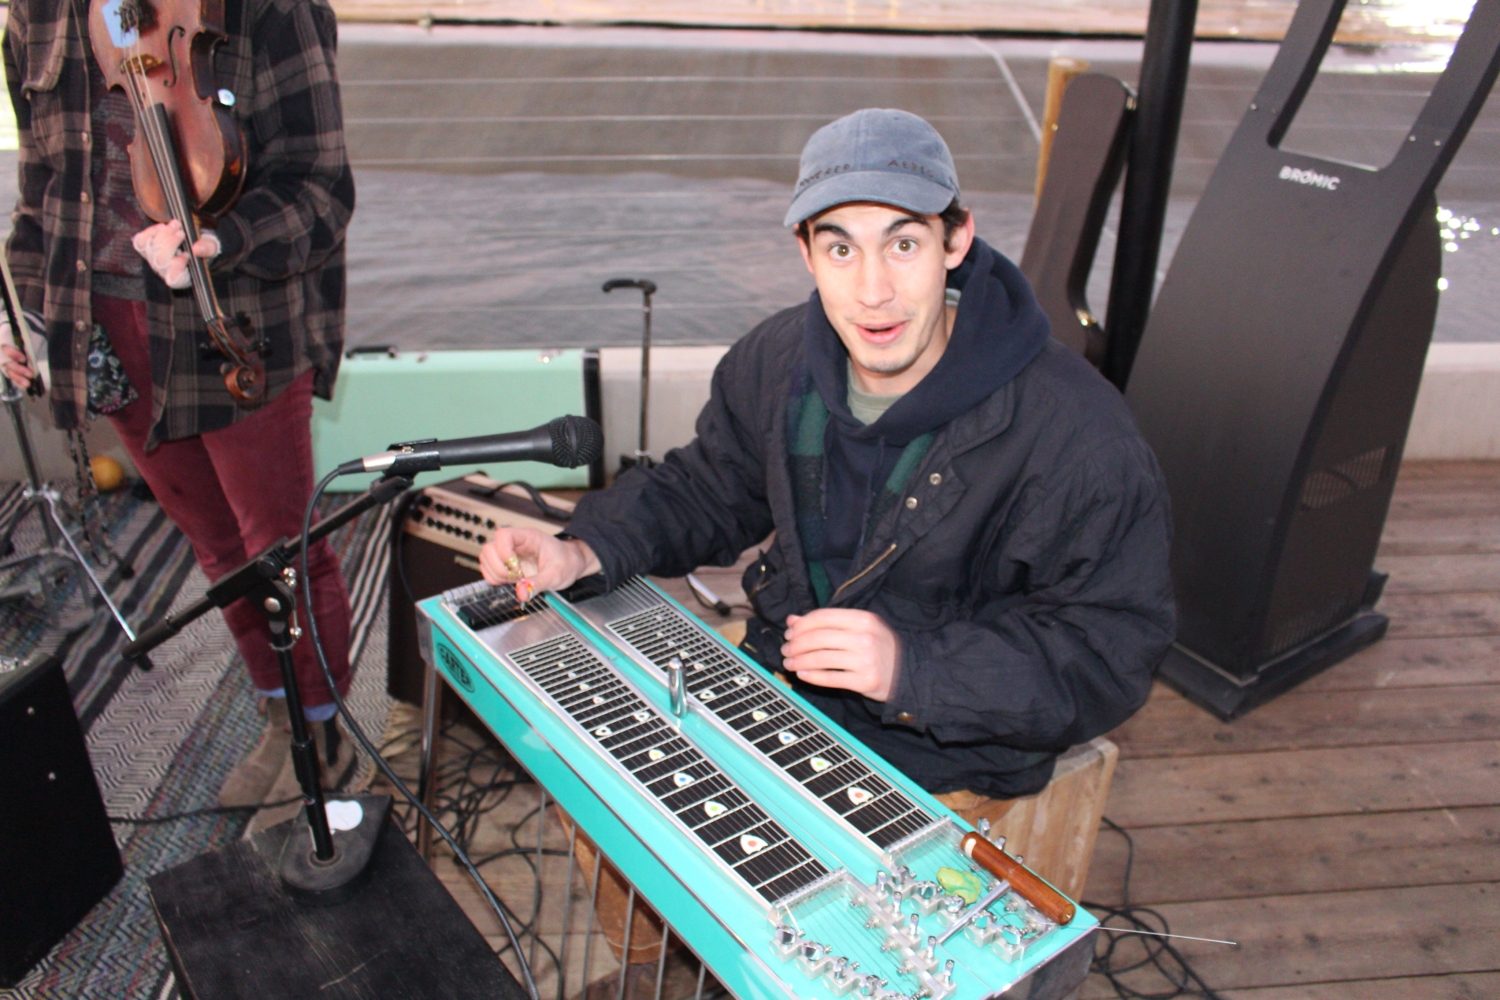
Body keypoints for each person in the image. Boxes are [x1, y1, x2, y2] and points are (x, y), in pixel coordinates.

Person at [478, 107, 1176, 993]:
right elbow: (709, 486)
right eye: (841, 248)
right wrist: (582, 548)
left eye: (903, 244)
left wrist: (913, 668)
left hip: (946, 757)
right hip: (776, 686)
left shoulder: (1080, 436)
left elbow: (1111, 652)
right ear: (806, 254)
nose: (872, 291)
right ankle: (676, 966)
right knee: (608, 801)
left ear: (958, 241)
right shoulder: (776, 359)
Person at [2, 0, 358, 828]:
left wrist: (221, 241)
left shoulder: (269, 8)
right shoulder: (37, 13)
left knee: (280, 549)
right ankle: (279, 711)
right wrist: (27, 313)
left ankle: (322, 737)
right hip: (103, 323)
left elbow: (320, 190)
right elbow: (43, 184)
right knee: (218, 547)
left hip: (235, 317)